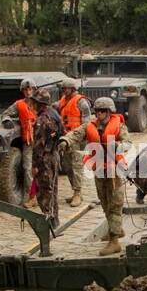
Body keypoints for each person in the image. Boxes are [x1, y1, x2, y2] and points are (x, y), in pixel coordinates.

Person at [63, 96, 129, 256]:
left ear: (109, 112)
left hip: (115, 172)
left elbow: (128, 143)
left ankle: (114, 241)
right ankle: (117, 229)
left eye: (102, 111)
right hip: (99, 170)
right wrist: (65, 141)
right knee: (105, 202)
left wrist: (118, 146)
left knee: (114, 204)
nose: (99, 113)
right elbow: (75, 134)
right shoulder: (89, 125)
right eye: (97, 111)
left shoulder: (119, 126)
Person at [29, 88, 67, 227]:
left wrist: (34, 166)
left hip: (44, 159)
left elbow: (38, 146)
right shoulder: (54, 114)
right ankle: (54, 219)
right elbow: (62, 132)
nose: (32, 104)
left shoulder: (41, 120)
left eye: (34, 102)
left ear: (39, 103)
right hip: (54, 155)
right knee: (53, 189)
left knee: (44, 191)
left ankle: (47, 222)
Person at [54, 78, 91, 207]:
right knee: (67, 166)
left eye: (66, 89)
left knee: (76, 166)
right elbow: (55, 108)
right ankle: (75, 191)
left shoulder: (82, 102)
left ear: (72, 89)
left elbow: (87, 123)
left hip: (77, 138)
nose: (64, 91)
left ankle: (78, 193)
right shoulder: (63, 101)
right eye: (63, 89)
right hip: (65, 138)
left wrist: (80, 137)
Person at [1, 78, 37, 208]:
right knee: (27, 168)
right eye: (26, 89)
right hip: (28, 140)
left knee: (45, 169)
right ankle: (32, 197)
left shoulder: (40, 103)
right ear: (22, 91)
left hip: (42, 140)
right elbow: (5, 113)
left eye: (30, 89)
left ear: (34, 90)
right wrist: (6, 120)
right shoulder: (18, 104)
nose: (28, 92)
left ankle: (47, 195)